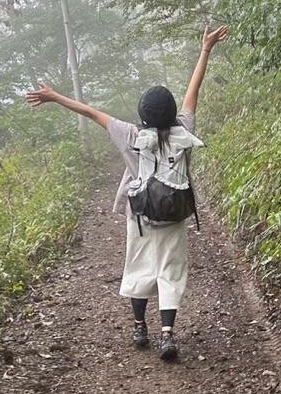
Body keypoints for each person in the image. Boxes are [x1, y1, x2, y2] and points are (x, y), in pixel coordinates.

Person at [25, 25, 229, 361]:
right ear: (172, 112)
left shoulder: (128, 134)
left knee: (139, 269)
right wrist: (205, 49)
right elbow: (195, 90)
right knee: (170, 272)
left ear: (143, 115)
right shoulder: (185, 131)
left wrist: (54, 96)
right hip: (173, 217)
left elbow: (91, 112)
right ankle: (167, 335)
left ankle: (139, 327)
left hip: (141, 217)